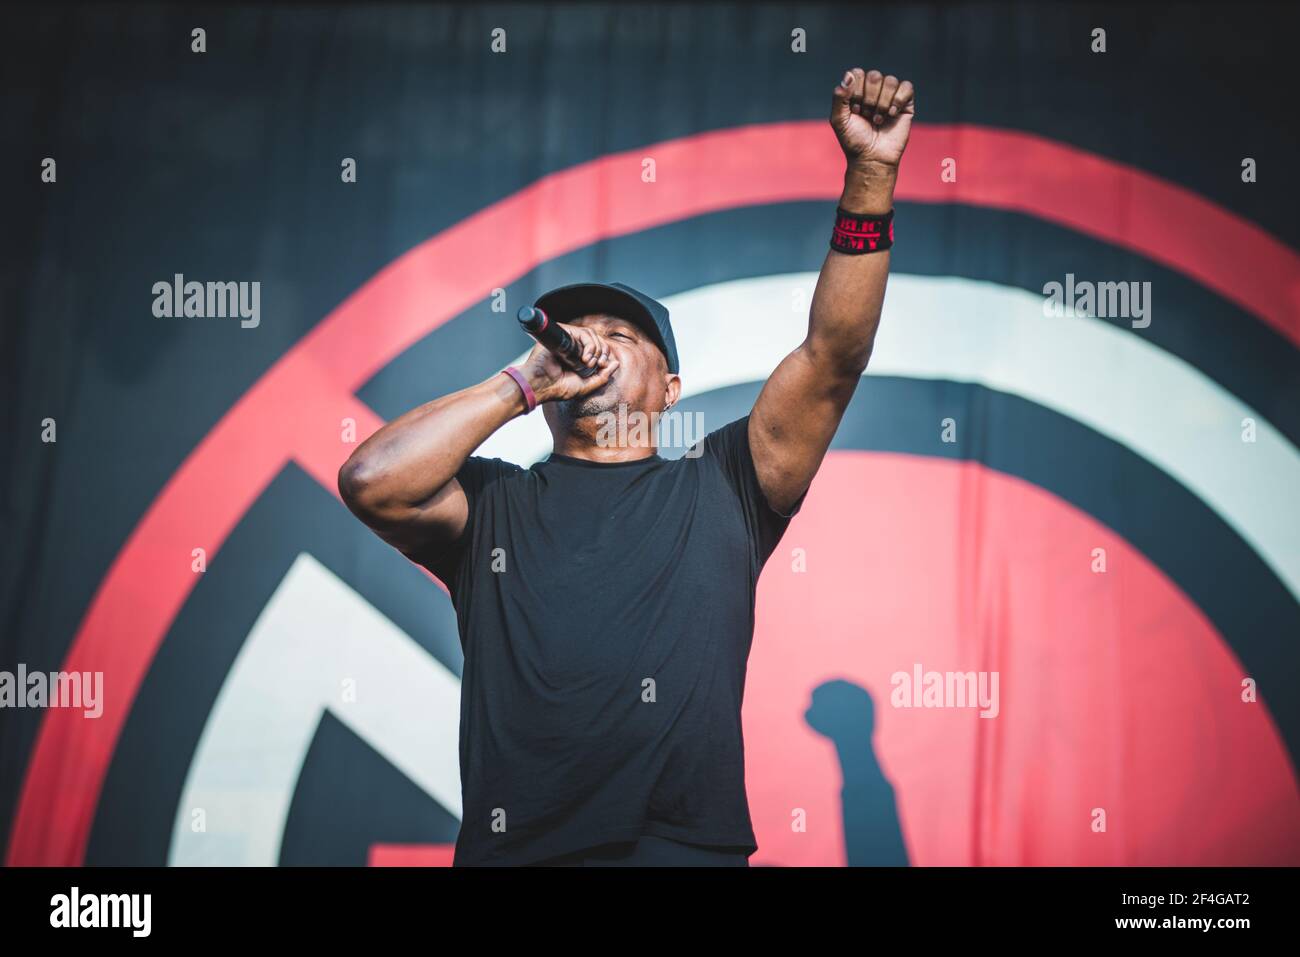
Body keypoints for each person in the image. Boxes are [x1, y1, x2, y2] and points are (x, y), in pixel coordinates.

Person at [338, 67, 915, 866]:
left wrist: (871, 176)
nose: (595, 344)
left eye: (622, 334)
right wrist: (521, 384)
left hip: (679, 851)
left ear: (670, 387)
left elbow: (833, 355)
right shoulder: (493, 506)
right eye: (577, 332)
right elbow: (371, 481)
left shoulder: (724, 486)